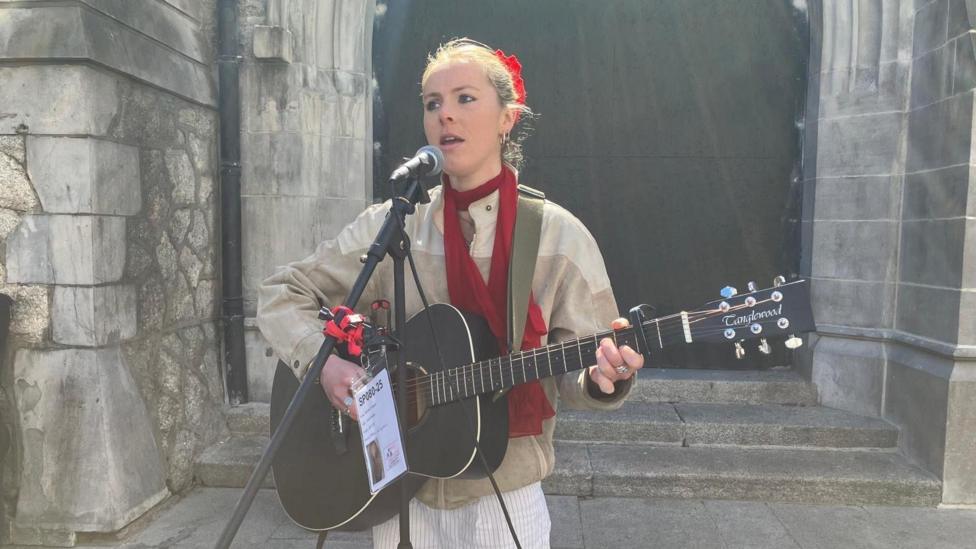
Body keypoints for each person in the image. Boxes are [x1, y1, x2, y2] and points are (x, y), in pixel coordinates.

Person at [257, 38, 645, 549]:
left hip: (508, 494)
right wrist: (323, 363)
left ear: (508, 117)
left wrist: (603, 377)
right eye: (432, 103)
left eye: (465, 98)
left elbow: (582, 369)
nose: (445, 116)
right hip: (404, 495)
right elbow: (281, 292)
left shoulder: (557, 236)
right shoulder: (394, 224)